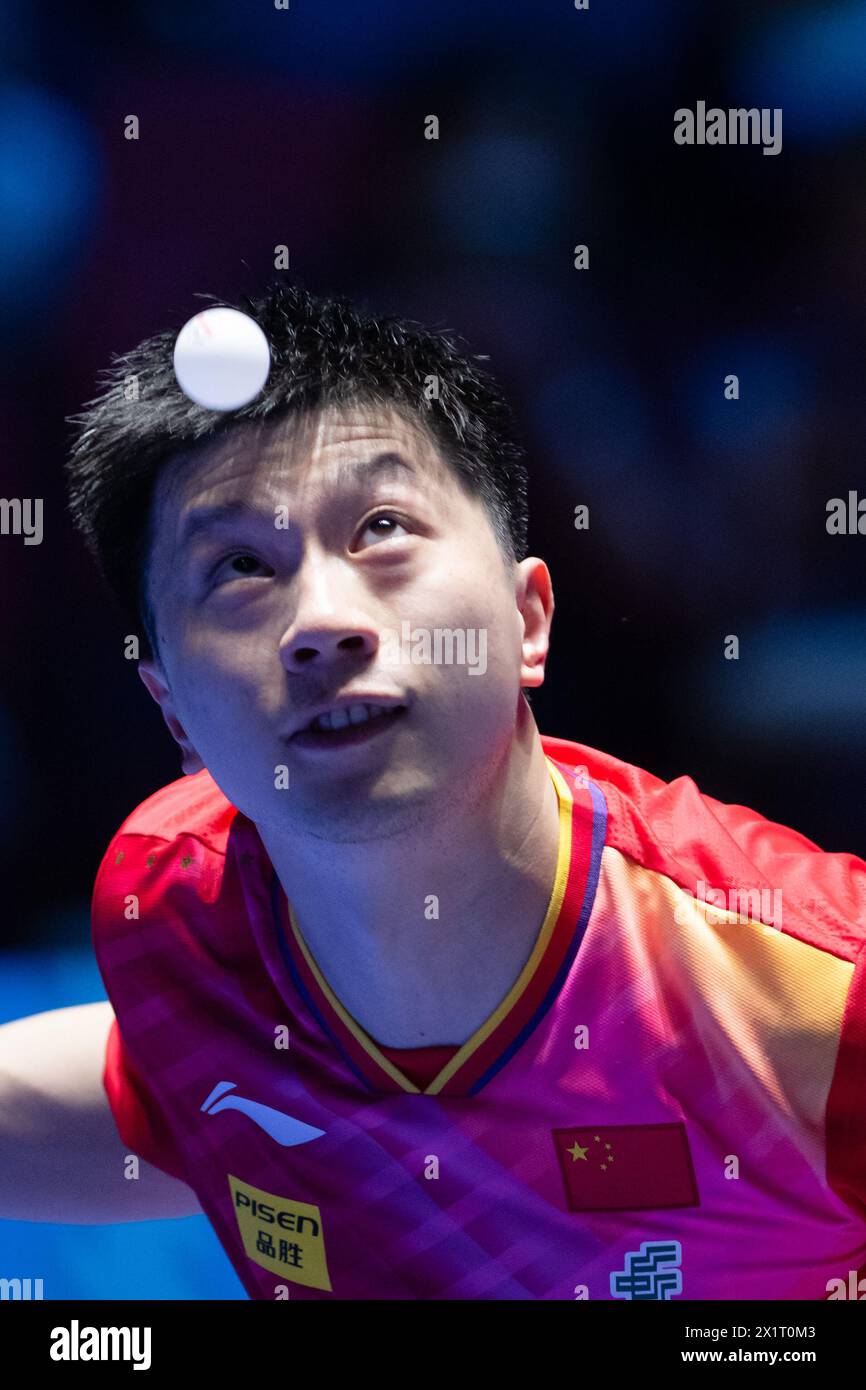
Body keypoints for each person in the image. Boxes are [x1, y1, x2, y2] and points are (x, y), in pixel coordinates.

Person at [2, 281, 864, 1300]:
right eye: (238, 565)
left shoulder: (801, 983)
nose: (322, 618)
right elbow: (176, 1109)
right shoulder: (182, 920)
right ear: (173, 709)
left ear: (526, 617)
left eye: (380, 527)